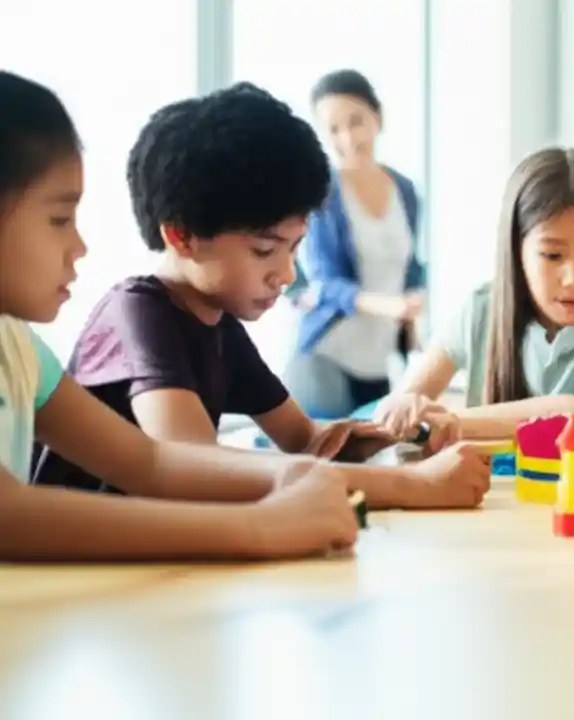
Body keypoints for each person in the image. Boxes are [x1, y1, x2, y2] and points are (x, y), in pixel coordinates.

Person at [29, 81, 488, 511]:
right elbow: (195, 468)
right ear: (182, 236)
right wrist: (415, 486)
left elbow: (305, 438)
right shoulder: (138, 313)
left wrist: (407, 434)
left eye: (294, 248)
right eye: (265, 250)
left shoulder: (217, 321)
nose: (286, 274)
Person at [0, 70, 363, 560]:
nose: (80, 246)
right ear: (183, 237)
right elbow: (12, 513)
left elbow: (154, 462)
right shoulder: (139, 311)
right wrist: (259, 526)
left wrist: (323, 468)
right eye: (59, 219)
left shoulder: (18, 348)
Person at [374, 147, 574, 442]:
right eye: (553, 256)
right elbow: (396, 414)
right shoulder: (480, 309)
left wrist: (572, 411)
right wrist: (572, 414)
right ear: (516, 250)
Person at [289, 69, 426, 418]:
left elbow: (410, 268)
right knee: (332, 460)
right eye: (333, 129)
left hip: (379, 362)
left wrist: (413, 307)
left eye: (356, 121)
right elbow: (324, 282)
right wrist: (390, 306)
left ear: (377, 118)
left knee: (377, 461)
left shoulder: (405, 191)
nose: (348, 138)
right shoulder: (324, 196)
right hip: (327, 356)